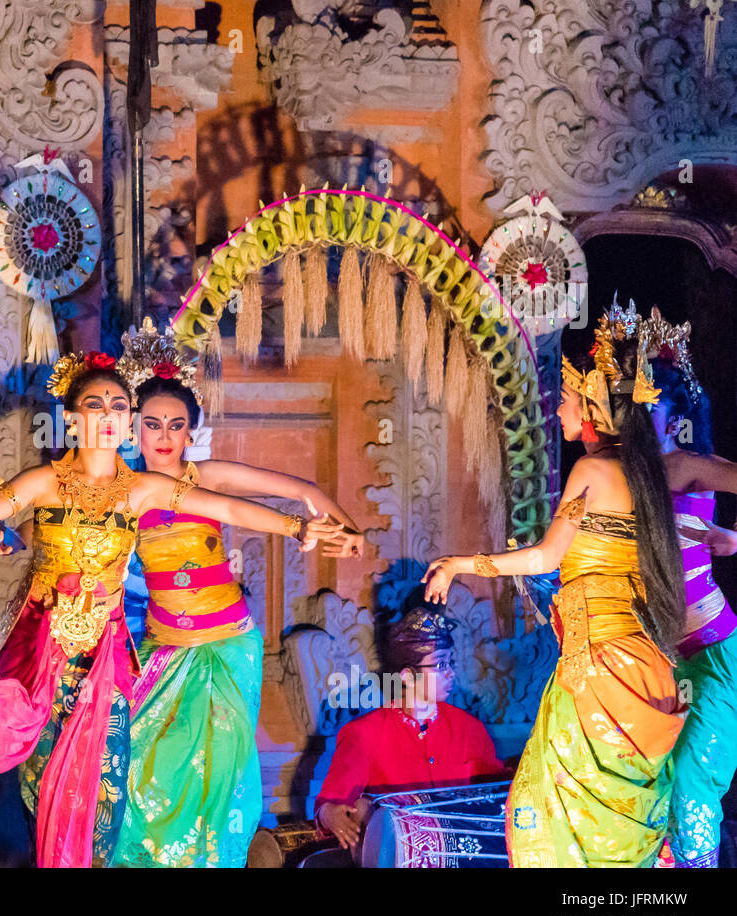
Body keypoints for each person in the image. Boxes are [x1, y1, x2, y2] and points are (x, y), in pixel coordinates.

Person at [0, 349, 324, 868]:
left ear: (125, 420)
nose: (107, 417)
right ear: (72, 418)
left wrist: (296, 526)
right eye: (95, 405)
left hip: (106, 667)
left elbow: (223, 506)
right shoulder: (44, 482)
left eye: (117, 407)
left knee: (108, 799)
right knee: (43, 799)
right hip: (44, 665)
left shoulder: (143, 490)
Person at [423, 297, 688, 867]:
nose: (559, 411)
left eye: (566, 398)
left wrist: (457, 563)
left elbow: (546, 558)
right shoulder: (645, 472)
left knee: (564, 814)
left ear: (593, 401)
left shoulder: (592, 470)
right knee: (615, 825)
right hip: (642, 661)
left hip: (597, 668)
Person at [109, 319, 363, 867]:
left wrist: (350, 531)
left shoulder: (206, 476)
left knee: (221, 777)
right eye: (151, 424)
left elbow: (304, 490)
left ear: (189, 431)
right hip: (167, 651)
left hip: (227, 647)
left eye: (176, 425)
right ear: (132, 430)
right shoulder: (124, 494)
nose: (164, 436)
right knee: (143, 772)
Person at [645, 327, 737, 868]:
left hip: (714, 651)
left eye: (646, 404)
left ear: (669, 409)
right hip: (667, 659)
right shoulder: (625, 476)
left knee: (693, 782)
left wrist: (736, 540)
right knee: (659, 776)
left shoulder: (685, 466)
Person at [311, 607, 503, 864]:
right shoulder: (364, 733)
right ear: (408, 676)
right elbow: (332, 804)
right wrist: (328, 813)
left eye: (450, 663)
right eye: (440, 665)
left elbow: (496, 797)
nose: (450, 673)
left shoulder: (470, 730)